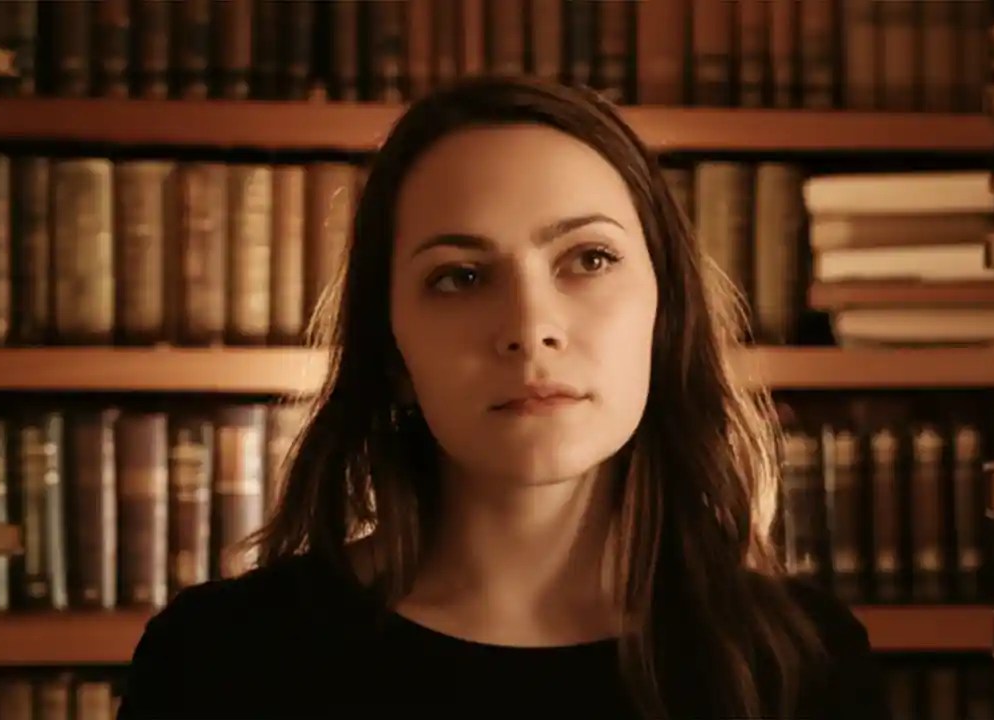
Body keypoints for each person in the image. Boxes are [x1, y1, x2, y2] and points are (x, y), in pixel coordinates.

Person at [116, 76, 891, 720]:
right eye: (459, 276)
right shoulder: (219, 662)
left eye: (588, 258)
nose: (529, 328)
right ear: (390, 351)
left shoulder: (800, 668)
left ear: (666, 315)